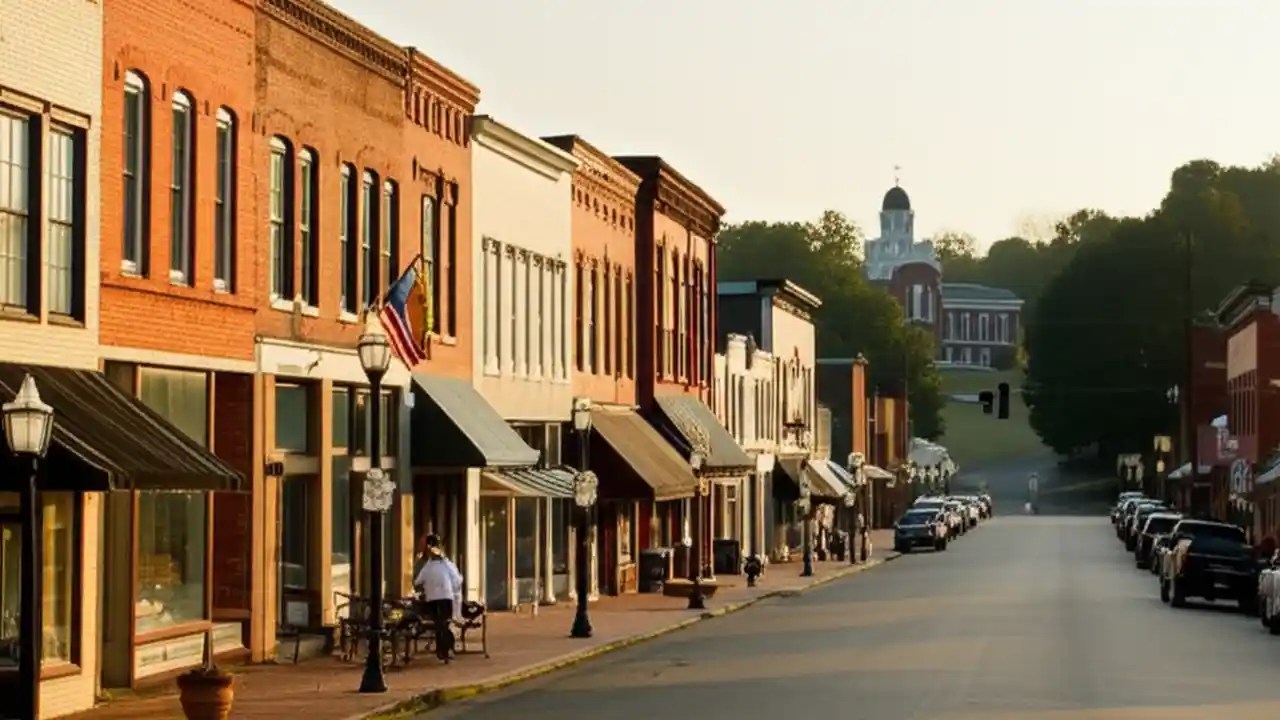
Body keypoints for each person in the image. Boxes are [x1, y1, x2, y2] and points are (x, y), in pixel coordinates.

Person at [413, 534, 463, 662]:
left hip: (434, 599)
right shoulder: (445, 564)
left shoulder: (429, 566)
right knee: (444, 624)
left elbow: (417, 581)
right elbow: (457, 580)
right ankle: (445, 650)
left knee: (440, 624)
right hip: (445, 597)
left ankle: (443, 650)